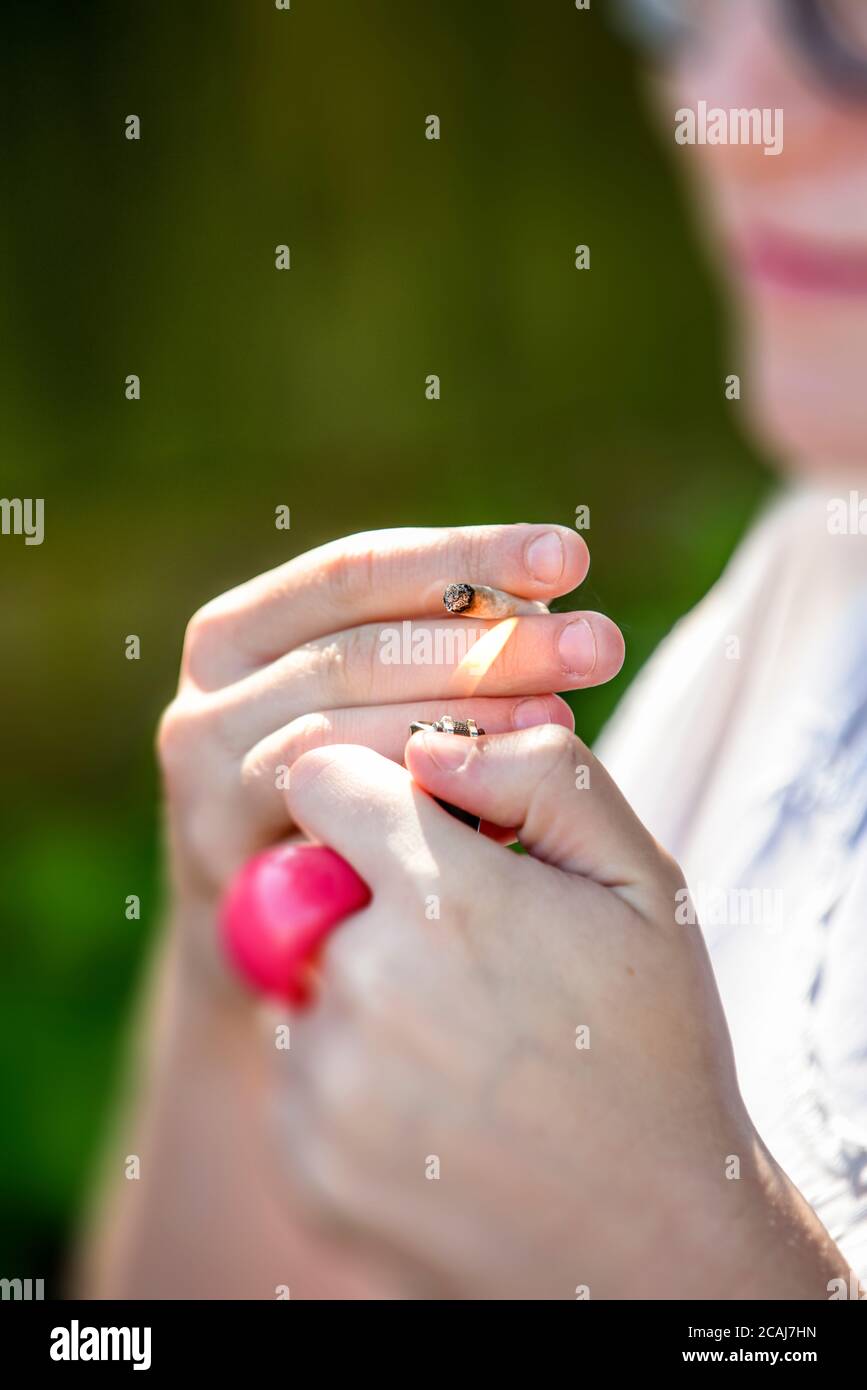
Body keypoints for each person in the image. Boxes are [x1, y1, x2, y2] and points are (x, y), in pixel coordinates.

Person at [81, 0, 867, 1298]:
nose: (722, 114)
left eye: (840, 22)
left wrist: (682, 1253)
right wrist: (242, 988)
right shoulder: (810, 575)